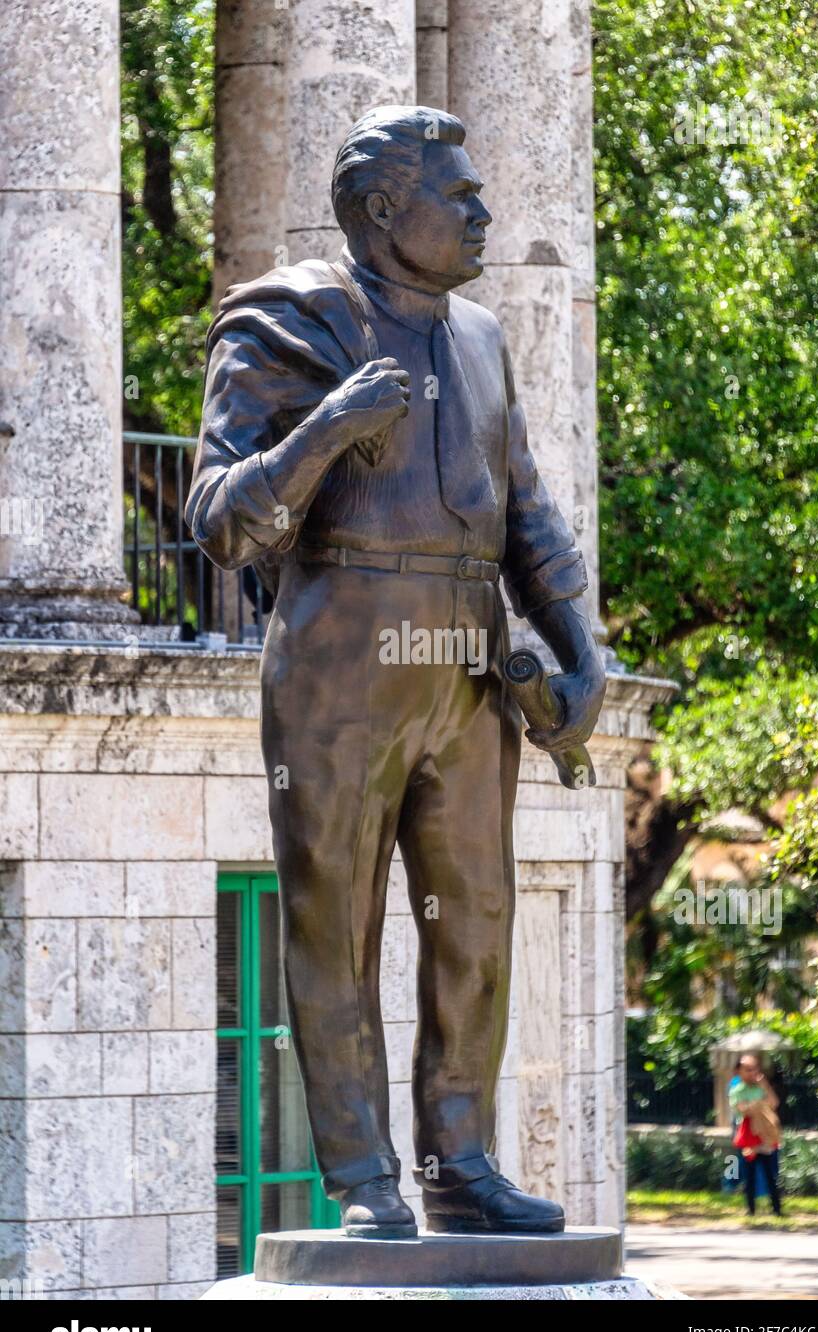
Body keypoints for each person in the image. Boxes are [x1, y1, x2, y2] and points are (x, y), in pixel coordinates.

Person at [186, 106, 607, 1236]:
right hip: (340, 652)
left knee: (474, 915)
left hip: (469, 660)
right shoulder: (284, 316)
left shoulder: (478, 339)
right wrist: (324, 428)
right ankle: (365, 1178)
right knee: (336, 920)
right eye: (458, 193)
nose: (481, 210)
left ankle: (460, 1160)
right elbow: (220, 521)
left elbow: (527, 507)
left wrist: (579, 637)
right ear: (383, 210)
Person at [730, 1054, 782, 1217]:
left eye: (755, 1069)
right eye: (748, 1069)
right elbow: (742, 1109)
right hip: (749, 1137)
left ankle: (777, 1209)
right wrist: (759, 1106)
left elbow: (773, 1104)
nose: (752, 1073)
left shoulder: (761, 1088)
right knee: (749, 1175)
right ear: (739, 1071)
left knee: (770, 1174)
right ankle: (751, 1209)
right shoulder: (737, 1090)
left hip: (765, 1136)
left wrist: (764, 1086)